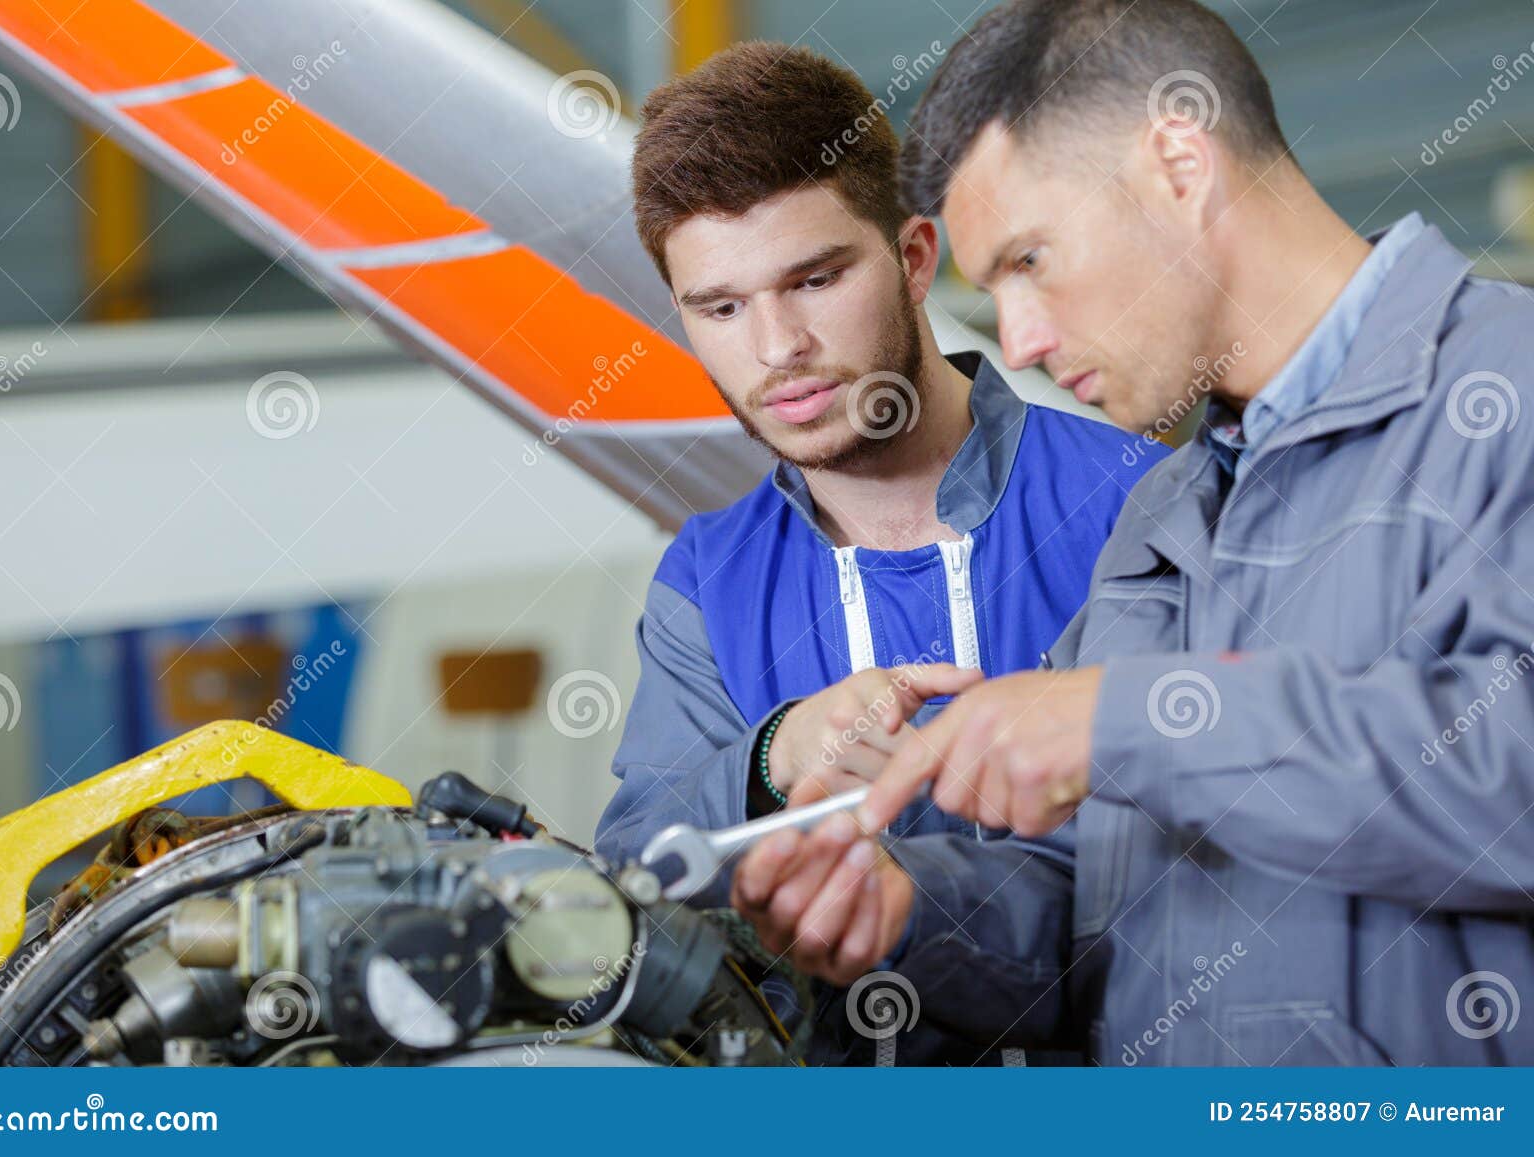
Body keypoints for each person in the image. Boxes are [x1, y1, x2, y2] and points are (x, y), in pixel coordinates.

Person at [733, 0, 1534, 1066]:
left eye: (1028, 260)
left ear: (1177, 163)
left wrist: (1135, 717)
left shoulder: (1503, 392)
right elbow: (1095, 905)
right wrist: (909, 909)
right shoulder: (1161, 512)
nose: (1014, 339)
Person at [592, 41, 1159, 1060]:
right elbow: (634, 871)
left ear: (910, 257)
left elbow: (1182, 884)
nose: (775, 349)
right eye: (719, 307)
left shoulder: (1137, 504)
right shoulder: (705, 577)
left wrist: (912, 905)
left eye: (812, 279)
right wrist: (775, 752)